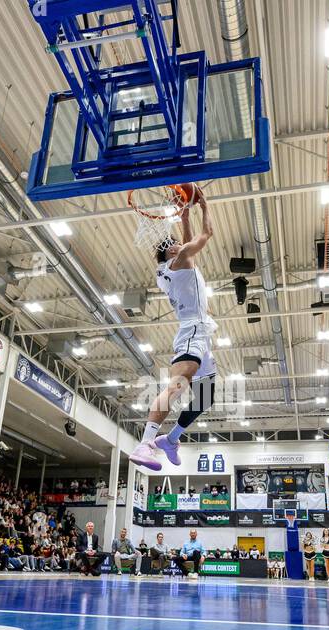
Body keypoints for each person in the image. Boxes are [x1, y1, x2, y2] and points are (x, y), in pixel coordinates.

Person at [130, 186, 216, 472]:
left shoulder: (171, 268)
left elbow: (188, 242)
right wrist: (203, 207)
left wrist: (185, 215)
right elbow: (205, 238)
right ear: (170, 252)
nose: (180, 243)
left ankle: (172, 439)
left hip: (199, 332)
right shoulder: (179, 261)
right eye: (175, 243)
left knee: (206, 396)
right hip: (193, 331)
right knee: (177, 386)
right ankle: (145, 443)